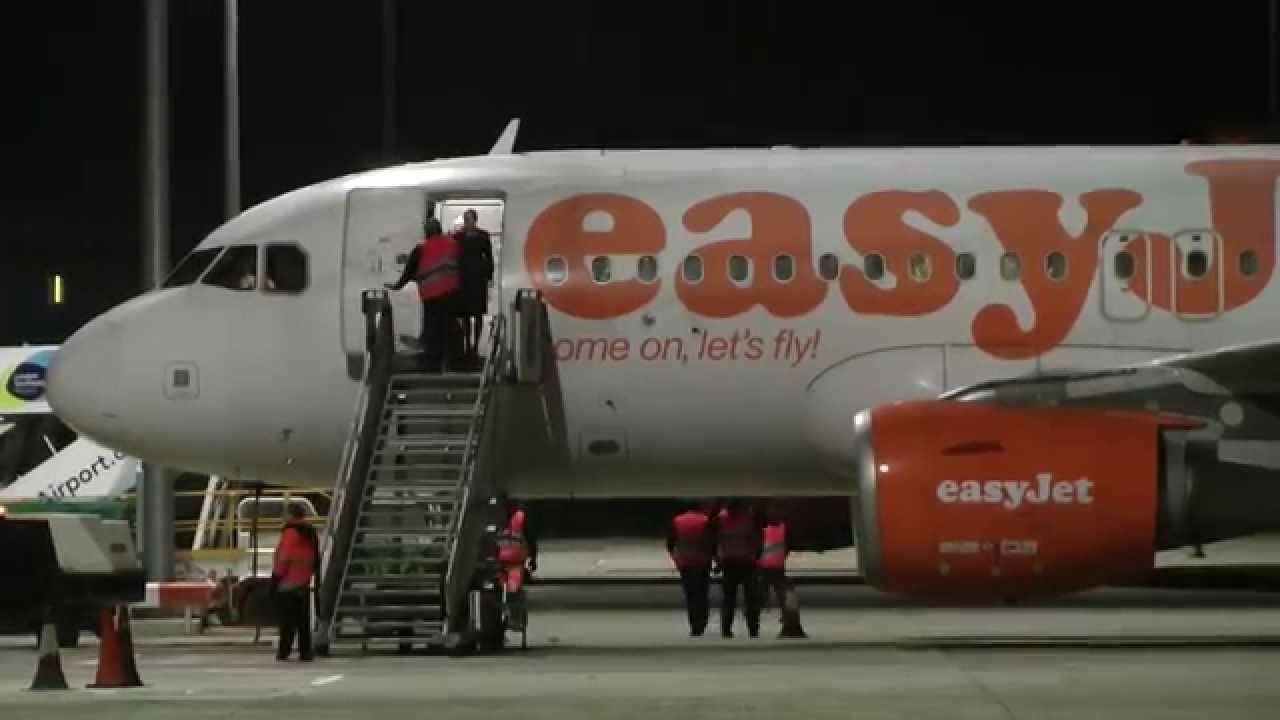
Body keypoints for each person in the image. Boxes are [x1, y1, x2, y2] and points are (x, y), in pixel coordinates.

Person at [387, 217, 463, 372]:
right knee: (450, 326)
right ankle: (452, 362)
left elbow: (408, 272)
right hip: (451, 293)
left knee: (432, 328)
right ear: (440, 229)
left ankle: (433, 364)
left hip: (432, 295)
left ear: (427, 232)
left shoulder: (421, 248)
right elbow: (462, 266)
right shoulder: (454, 244)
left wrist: (397, 286)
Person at [271, 505, 319, 661]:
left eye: (285, 514)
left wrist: (276, 577)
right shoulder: (310, 533)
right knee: (303, 621)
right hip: (303, 581)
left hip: (287, 582)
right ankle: (305, 651)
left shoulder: (290, 532)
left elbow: (284, 557)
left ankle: (284, 651)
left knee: (287, 621)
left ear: (291, 515)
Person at [666, 501, 718, 636]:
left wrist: (675, 557)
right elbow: (712, 541)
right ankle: (702, 621)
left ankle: (694, 624)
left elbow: (670, 542)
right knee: (702, 594)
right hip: (703, 561)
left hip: (685, 562)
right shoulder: (706, 520)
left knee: (690, 595)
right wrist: (716, 559)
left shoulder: (677, 520)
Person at [757, 505, 807, 638]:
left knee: (768, 594)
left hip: (767, 568)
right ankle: (788, 621)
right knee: (784, 594)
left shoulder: (763, 531)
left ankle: (758, 618)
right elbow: (786, 547)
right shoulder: (782, 529)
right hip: (775, 567)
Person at [716, 498, 763, 638]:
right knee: (751, 598)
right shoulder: (750, 517)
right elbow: (758, 538)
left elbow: (716, 539)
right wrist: (757, 555)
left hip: (730, 561)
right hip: (746, 561)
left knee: (729, 598)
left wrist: (718, 559)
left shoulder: (721, 518)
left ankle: (726, 629)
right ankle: (753, 628)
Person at [454, 209, 495, 365]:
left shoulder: (483, 236)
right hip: (463, 278)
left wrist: (489, 276)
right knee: (464, 314)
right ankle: (466, 345)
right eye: (466, 219)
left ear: (475, 220)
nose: (467, 222)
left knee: (478, 313)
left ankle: (475, 346)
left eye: (470, 219)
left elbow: (489, 257)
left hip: (478, 278)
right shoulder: (458, 236)